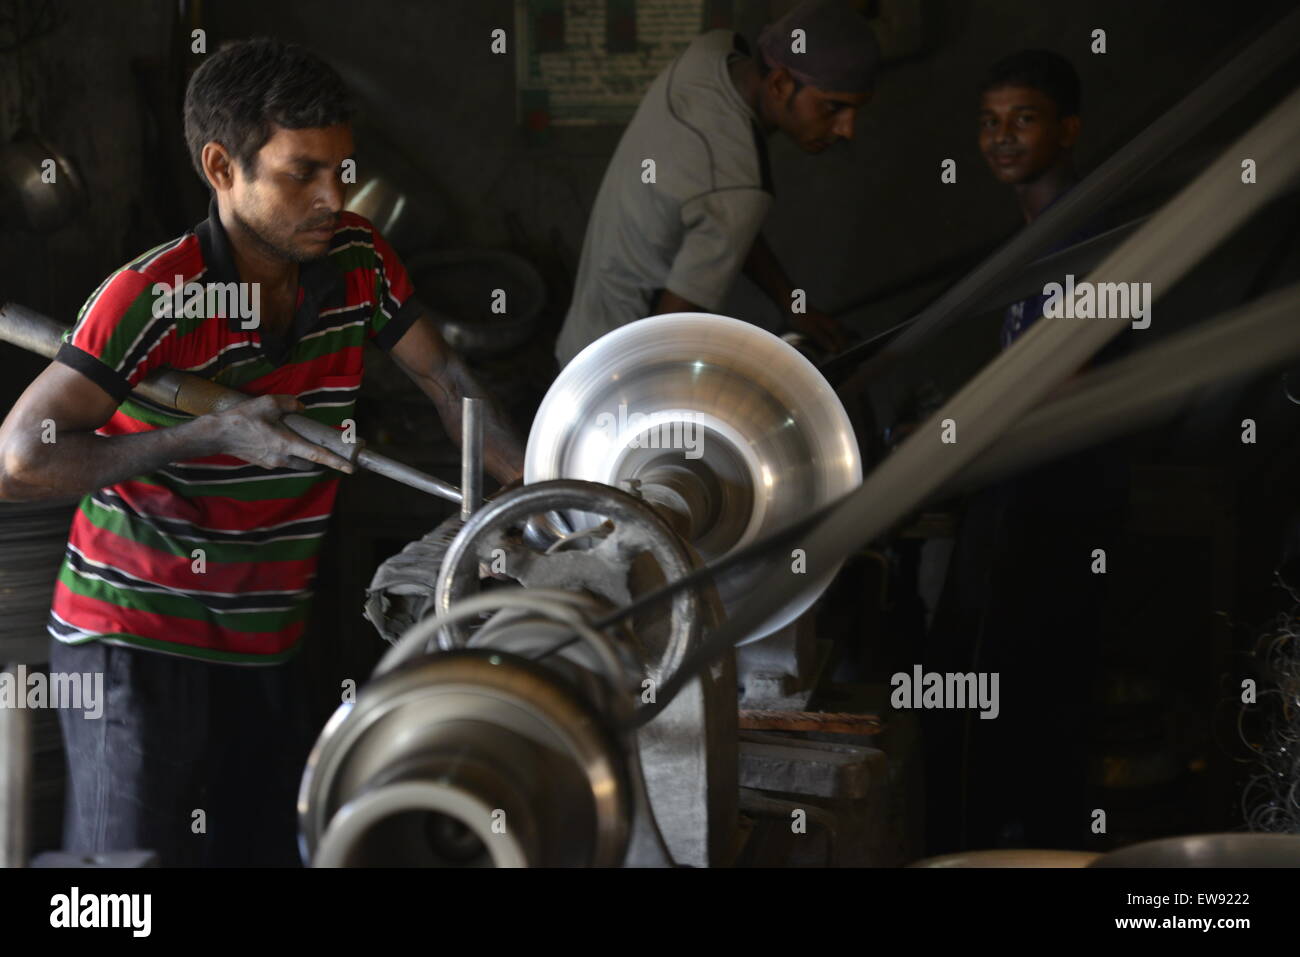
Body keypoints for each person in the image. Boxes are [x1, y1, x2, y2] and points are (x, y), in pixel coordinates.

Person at [0, 39, 524, 866]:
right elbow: (23, 458)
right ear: (221, 167)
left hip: (268, 635)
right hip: (136, 638)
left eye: (343, 170)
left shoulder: (359, 259)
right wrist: (209, 433)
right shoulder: (154, 295)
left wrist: (533, 489)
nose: (332, 196)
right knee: (128, 880)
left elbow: (444, 374)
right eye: (301, 172)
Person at [921, 50, 1129, 854]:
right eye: (989, 121)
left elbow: (1063, 377)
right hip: (1030, 495)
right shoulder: (1040, 235)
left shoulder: (1080, 233)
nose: (1001, 138)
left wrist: (956, 434)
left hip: (1055, 507)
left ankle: (1017, 851)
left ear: (1068, 129)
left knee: (1022, 706)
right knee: (1011, 704)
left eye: (1025, 119)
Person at [554, 0, 880, 367]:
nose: (847, 129)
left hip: (582, 331)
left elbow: (719, 212)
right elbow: (668, 342)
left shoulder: (710, 53)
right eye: (833, 108)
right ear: (780, 83)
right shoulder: (737, 188)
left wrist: (791, 303)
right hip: (614, 372)